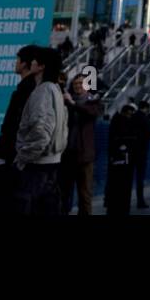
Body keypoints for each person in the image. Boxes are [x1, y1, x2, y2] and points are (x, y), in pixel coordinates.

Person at [0, 45, 42, 215]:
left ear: (26, 64)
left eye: (18, 60)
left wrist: (9, 155)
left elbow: (17, 126)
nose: (15, 63)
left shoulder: (26, 91)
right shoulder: (28, 89)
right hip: (13, 157)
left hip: (9, 157)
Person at [12, 46, 67, 214]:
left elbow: (41, 131)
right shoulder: (56, 90)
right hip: (51, 163)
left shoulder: (42, 91)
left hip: (37, 166)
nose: (32, 62)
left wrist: (23, 157)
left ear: (42, 66)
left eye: (35, 60)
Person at [60, 73, 101, 215]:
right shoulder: (67, 102)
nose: (78, 86)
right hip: (68, 154)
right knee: (64, 192)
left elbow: (90, 113)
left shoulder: (92, 101)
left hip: (85, 156)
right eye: (75, 83)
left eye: (81, 83)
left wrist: (72, 103)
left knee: (84, 194)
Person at [106, 103, 141, 216]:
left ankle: (113, 207)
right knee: (124, 186)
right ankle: (122, 208)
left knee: (115, 185)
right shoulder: (126, 124)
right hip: (126, 161)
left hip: (116, 160)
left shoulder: (116, 122)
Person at [132, 100, 150, 208]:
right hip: (141, 152)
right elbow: (149, 134)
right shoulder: (144, 119)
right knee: (140, 177)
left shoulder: (133, 116)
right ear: (146, 108)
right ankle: (140, 201)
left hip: (131, 151)